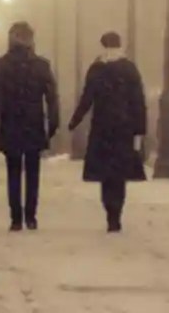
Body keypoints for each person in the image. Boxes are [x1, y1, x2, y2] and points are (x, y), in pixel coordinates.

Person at [67, 31, 147, 232]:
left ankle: (109, 209)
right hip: (124, 129)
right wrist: (140, 129)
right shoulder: (129, 69)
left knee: (105, 175)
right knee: (119, 175)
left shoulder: (97, 69)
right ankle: (116, 212)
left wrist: (74, 120)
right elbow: (138, 102)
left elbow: (87, 98)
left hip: (102, 128)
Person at [0, 21, 60, 232]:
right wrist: (52, 122)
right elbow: (52, 97)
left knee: (13, 172)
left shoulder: (1, 65)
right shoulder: (41, 65)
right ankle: (31, 216)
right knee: (33, 173)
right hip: (33, 123)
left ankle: (16, 217)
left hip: (11, 123)